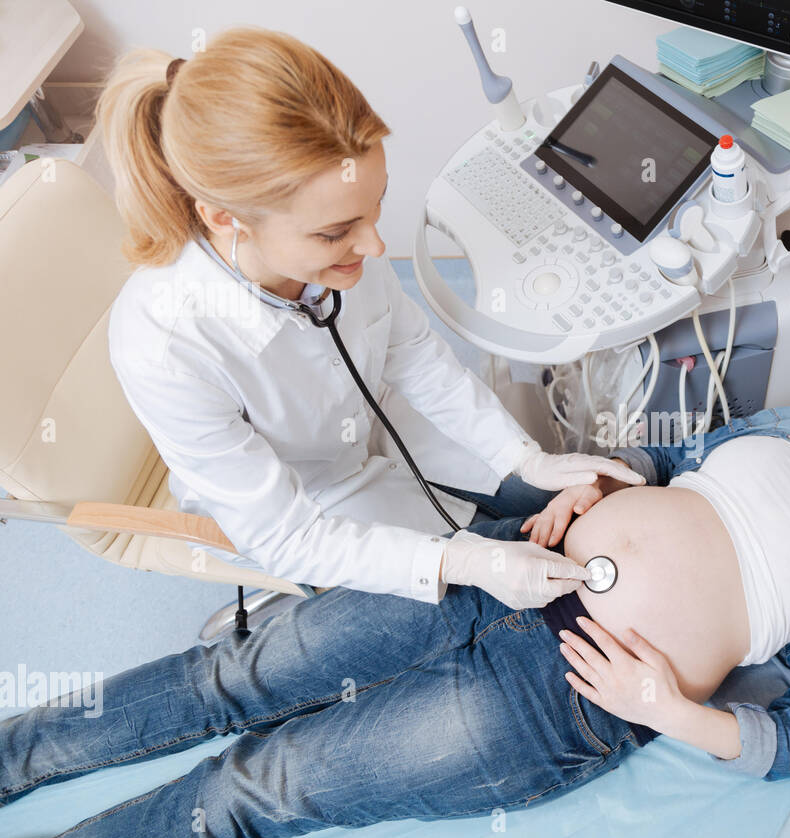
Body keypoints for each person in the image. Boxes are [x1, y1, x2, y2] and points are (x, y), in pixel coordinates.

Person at [0, 369, 790, 838]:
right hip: (499, 562)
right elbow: (674, 469)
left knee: (261, 782)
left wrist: (662, 705)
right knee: (236, 674)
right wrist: (599, 481)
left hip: (559, 693)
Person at [97, 26, 643, 609]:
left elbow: (412, 355)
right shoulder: (167, 342)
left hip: (375, 421)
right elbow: (287, 533)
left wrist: (522, 457)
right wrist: (458, 559)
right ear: (226, 218)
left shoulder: (342, 246)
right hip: (311, 502)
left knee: (555, 503)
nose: (375, 246)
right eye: (335, 233)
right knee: (499, 592)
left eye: (376, 205)